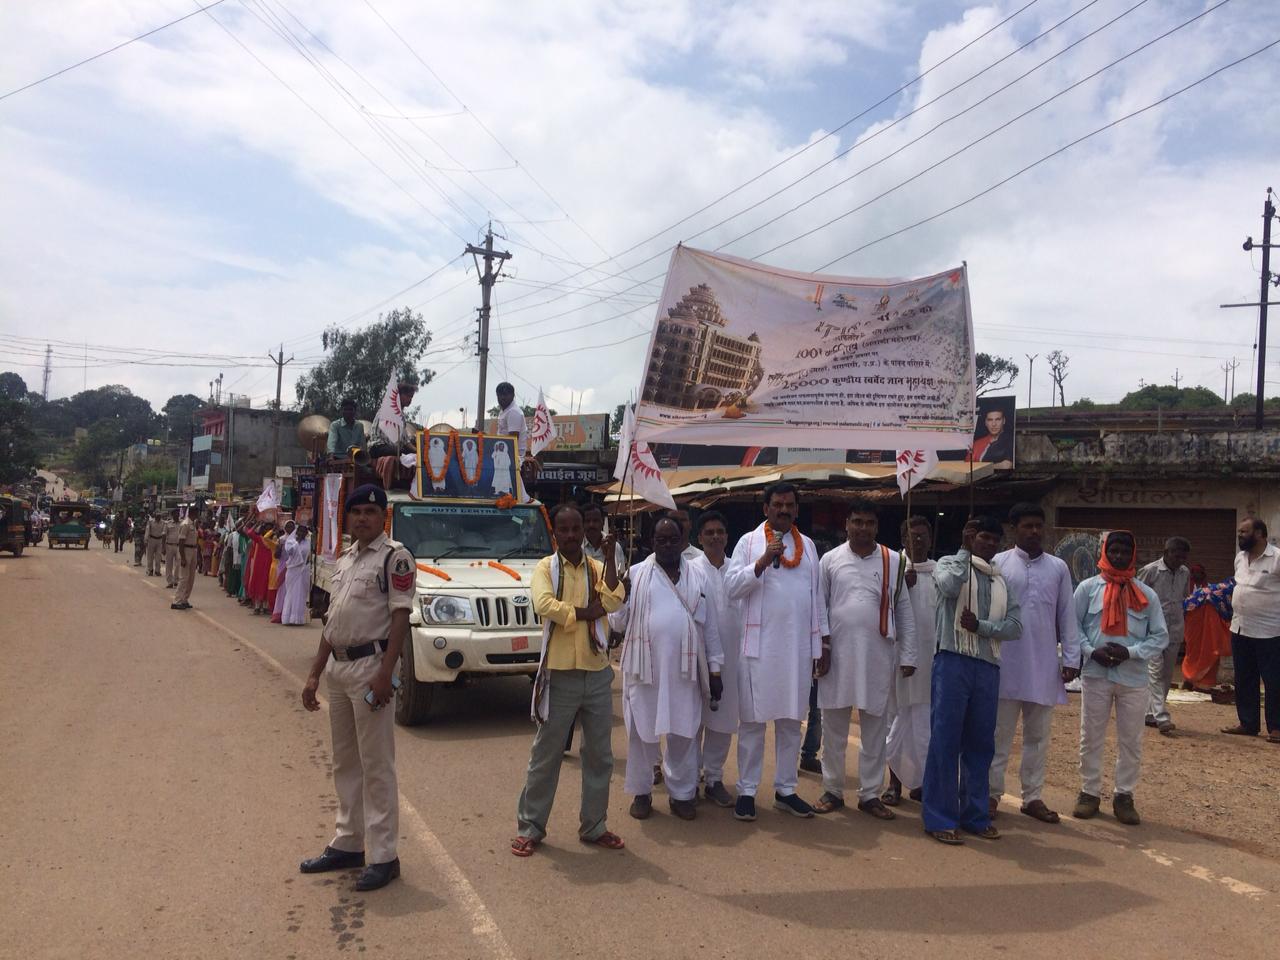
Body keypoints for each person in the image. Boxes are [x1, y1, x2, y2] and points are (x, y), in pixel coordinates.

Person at [300, 484, 413, 892]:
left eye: (370, 511)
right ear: (347, 518)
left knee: (377, 765)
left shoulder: (395, 558)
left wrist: (388, 670)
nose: (362, 517)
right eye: (356, 511)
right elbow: (332, 622)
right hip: (339, 668)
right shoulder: (345, 560)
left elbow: (400, 618)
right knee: (345, 762)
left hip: (371, 668)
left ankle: (384, 855)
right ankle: (348, 842)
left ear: (383, 515)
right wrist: (314, 672)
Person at [512, 503, 625, 857]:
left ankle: (594, 826)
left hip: (596, 672)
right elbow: (543, 604)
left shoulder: (596, 567)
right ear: (555, 533)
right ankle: (530, 827)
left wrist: (609, 558)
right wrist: (582, 612)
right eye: (565, 529)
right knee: (546, 754)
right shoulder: (546, 568)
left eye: (578, 528)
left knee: (600, 756)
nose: (573, 535)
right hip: (560, 674)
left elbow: (614, 599)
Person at [725, 482, 829, 822]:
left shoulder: (809, 546)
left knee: (790, 723)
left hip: (797, 651)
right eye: (778, 504)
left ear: (796, 510)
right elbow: (731, 588)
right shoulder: (748, 542)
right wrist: (762, 561)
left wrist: (822, 643)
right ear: (765, 509)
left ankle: (786, 789)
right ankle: (747, 791)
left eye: (789, 505)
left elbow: (817, 600)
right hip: (758, 651)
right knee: (753, 723)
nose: (784, 510)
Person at [612, 517, 723, 821]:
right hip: (644, 670)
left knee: (684, 733)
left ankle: (682, 794)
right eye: (661, 540)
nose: (667, 545)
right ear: (651, 542)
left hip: (685, 671)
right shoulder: (635, 574)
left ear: (682, 539)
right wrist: (619, 596)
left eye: (673, 539)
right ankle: (642, 792)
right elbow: (617, 623)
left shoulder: (698, 575)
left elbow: (710, 627)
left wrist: (715, 670)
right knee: (641, 733)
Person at [922, 516, 1023, 845]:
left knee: (981, 745)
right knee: (945, 741)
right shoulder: (949, 564)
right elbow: (950, 587)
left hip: (987, 666)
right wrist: (965, 552)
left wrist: (981, 626)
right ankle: (939, 817)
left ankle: (975, 817)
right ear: (969, 537)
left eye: (995, 539)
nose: (989, 544)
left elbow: (1015, 626)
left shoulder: (1000, 580)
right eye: (982, 537)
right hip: (952, 660)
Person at [813, 501, 916, 820]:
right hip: (837, 657)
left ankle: (870, 794)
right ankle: (832, 789)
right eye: (856, 521)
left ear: (876, 526)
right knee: (834, 729)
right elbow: (819, 608)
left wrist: (909, 654)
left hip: (878, 656)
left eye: (869, 522)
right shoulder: (830, 560)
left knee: (874, 728)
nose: (862, 528)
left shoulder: (893, 560)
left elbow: (904, 611)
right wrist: (820, 650)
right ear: (846, 524)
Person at [989, 503, 1081, 823]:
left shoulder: (1058, 567)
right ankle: (991, 795)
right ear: (1014, 529)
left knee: (1038, 737)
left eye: (1039, 526)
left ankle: (1033, 797)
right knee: (999, 736)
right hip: (1004, 664)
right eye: (1027, 526)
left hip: (1043, 665)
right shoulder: (997, 563)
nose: (1034, 532)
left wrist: (1071, 657)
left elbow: (1067, 615)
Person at [1074, 531, 1169, 825]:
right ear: (1104, 552)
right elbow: (1071, 628)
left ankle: (1124, 796)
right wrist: (1091, 651)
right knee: (1091, 736)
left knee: (1131, 740)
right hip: (1096, 674)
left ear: (1133, 555)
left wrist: (1131, 652)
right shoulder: (1087, 589)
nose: (1118, 555)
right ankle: (1089, 793)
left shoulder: (1146, 594)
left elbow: (1160, 637)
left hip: (1133, 677)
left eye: (1124, 551)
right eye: (1113, 550)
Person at [884, 515, 938, 806]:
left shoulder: (940, 572)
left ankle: (920, 781)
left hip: (929, 661)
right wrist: (899, 586)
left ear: (930, 540)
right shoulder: (893, 569)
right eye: (911, 536)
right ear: (903, 540)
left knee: (925, 725)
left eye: (922, 536)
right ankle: (893, 784)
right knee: (896, 719)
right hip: (898, 657)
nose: (917, 541)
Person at [693, 510, 741, 808]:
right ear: (699, 538)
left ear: (727, 536)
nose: (715, 536)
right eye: (708, 532)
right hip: (697, 657)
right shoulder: (690, 569)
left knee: (722, 722)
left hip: (732, 658)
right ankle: (688, 778)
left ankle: (713, 779)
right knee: (692, 720)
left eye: (720, 531)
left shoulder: (739, 569)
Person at [1222, 517, 1280, 742]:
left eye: (1244, 532)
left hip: (1271, 631)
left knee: (1275, 680)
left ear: (1259, 534)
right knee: (1245, 678)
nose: (1239, 535)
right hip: (1240, 628)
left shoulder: (1276, 558)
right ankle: (1248, 723)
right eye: (1239, 532)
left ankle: (1276, 727)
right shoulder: (1240, 558)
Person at [1138, 536, 1191, 735]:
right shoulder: (1150, 571)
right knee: (1154, 671)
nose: (1180, 561)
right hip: (1152, 629)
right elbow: (1136, 597)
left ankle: (1150, 713)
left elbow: (1183, 597)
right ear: (1167, 552)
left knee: (1167, 674)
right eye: (1177, 556)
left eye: (1183, 557)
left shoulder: (1185, 572)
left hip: (1175, 628)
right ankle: (1161, 716)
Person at [1181, 565, 1234, 689]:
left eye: (1198, 573)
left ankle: (1204, 683)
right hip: (1193, 630)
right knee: (1194, 652)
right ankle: (1190, 680)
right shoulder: (1186, 587)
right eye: (1193, 573)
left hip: (1207, 631)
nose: (1195, 576)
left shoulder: (1212, 594)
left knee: (1210, 649)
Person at [280, 525, 312, 626]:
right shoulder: (290, 542)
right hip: (292, 570)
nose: (302, 534)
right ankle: (288, 618)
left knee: (300, 594)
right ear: (297, 532)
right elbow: (290, 552)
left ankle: (298, 618)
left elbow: (308, 556)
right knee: (291, 593)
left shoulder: (308, 543)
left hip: (303, 571)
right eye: (300, 531)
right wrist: (297, 543)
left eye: (304, 532)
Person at [171, 512, 199, 611]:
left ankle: (184, 599)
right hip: (186, 551)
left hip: (193, 550)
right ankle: (176, 601)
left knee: (191, 578)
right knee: (184, 577)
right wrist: (182, 557)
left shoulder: (193, 525)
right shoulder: (185, 524)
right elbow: (181, 542)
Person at [494, 382, 529, 455]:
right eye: (500, 395)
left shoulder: (513, 412)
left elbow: (512, 442)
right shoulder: (504, 411)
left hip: (514, 458)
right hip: (504, 454)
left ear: (513, 395)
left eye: (505, 394)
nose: (502, 397)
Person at [163, 509, 181, 588]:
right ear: (172, 515)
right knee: (169, 564)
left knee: (178, 564)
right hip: (169, 545)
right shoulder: (168, 524)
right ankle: (170, 581)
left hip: (179, 546)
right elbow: (164, 535)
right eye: (175, 514)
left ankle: (176, 580)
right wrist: (163, 547)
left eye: (178, 513)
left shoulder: (182, 523)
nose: (177, 515)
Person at [145, 511, 165, 576]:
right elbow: (147, 530)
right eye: (157, 516)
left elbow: (164, 532)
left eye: (159, 516)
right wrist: (146, 539)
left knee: (158, 557)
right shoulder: (150, 522)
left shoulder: (163, 523)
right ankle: (150, 570)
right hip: (151, 540)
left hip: (159, 540)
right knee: (150, 556)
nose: (158, 518)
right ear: (155, 516)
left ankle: (157, 571)